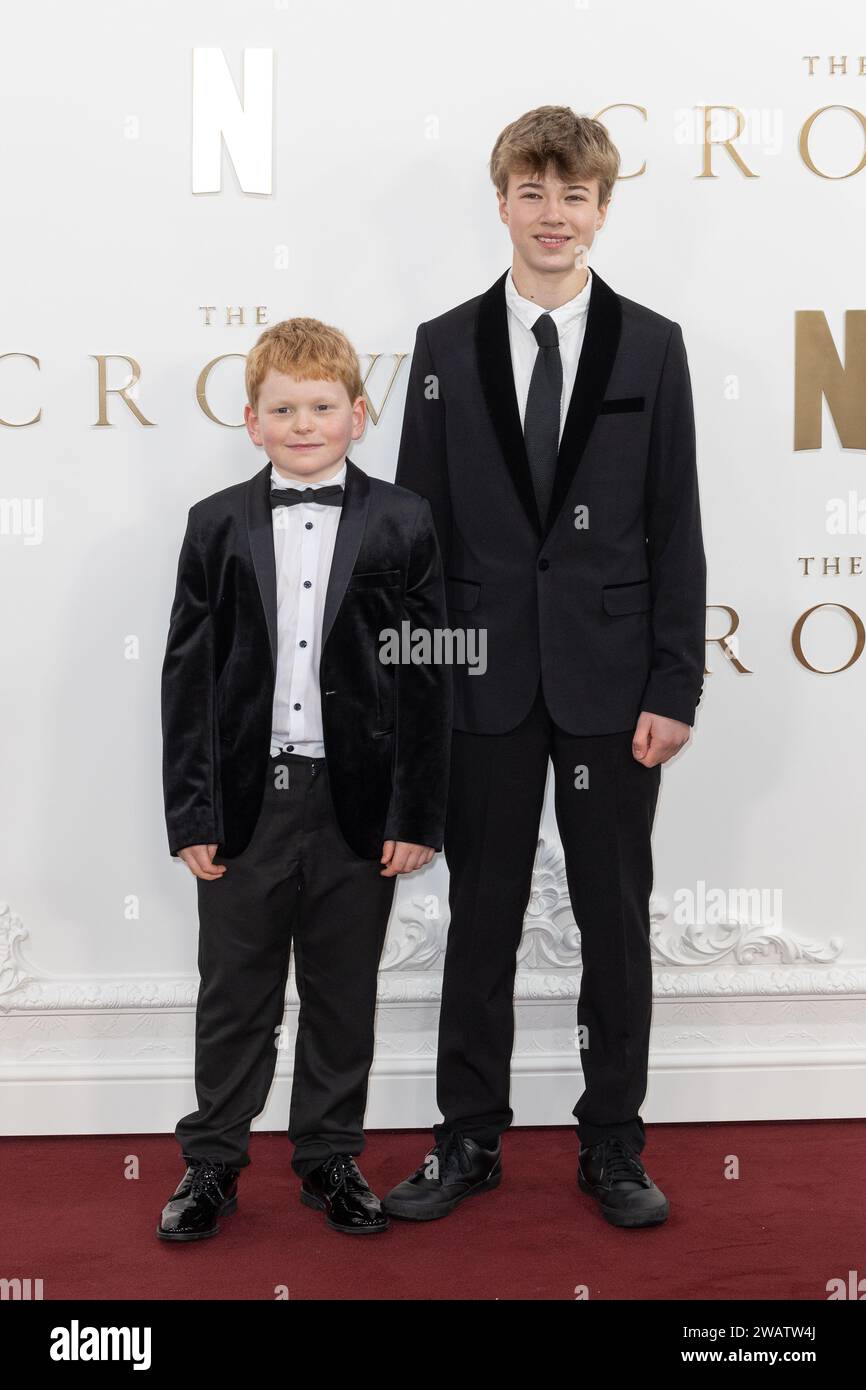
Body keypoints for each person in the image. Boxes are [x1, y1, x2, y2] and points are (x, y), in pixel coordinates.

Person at [385, 105, 707, 1228]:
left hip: (614, 686)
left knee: (614, 919)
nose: (553, 213)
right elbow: (413, 538)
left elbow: (674, 523)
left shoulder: (653, 344)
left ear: (603, 208)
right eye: (533, 191)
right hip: (478, 683)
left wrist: (674, 684)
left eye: (574, 195)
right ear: (502, 202)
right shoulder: (440, 345)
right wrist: (422, 686)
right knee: (481, 911)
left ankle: (612, 1145)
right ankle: (466, 1140)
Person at [157, 317, 451, 1240]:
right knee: (234, 987)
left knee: (340, 988)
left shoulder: (404, 517)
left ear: (359, 413)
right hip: (247, 806)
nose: (304, 422)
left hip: (356, 807)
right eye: (283, 408)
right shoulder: (214, 523)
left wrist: (416, 811)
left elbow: (427, 673)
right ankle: (212, 1165)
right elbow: (188, 677)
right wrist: (192, 811)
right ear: (251, 420)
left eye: (323, 406)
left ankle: (329, 1158)